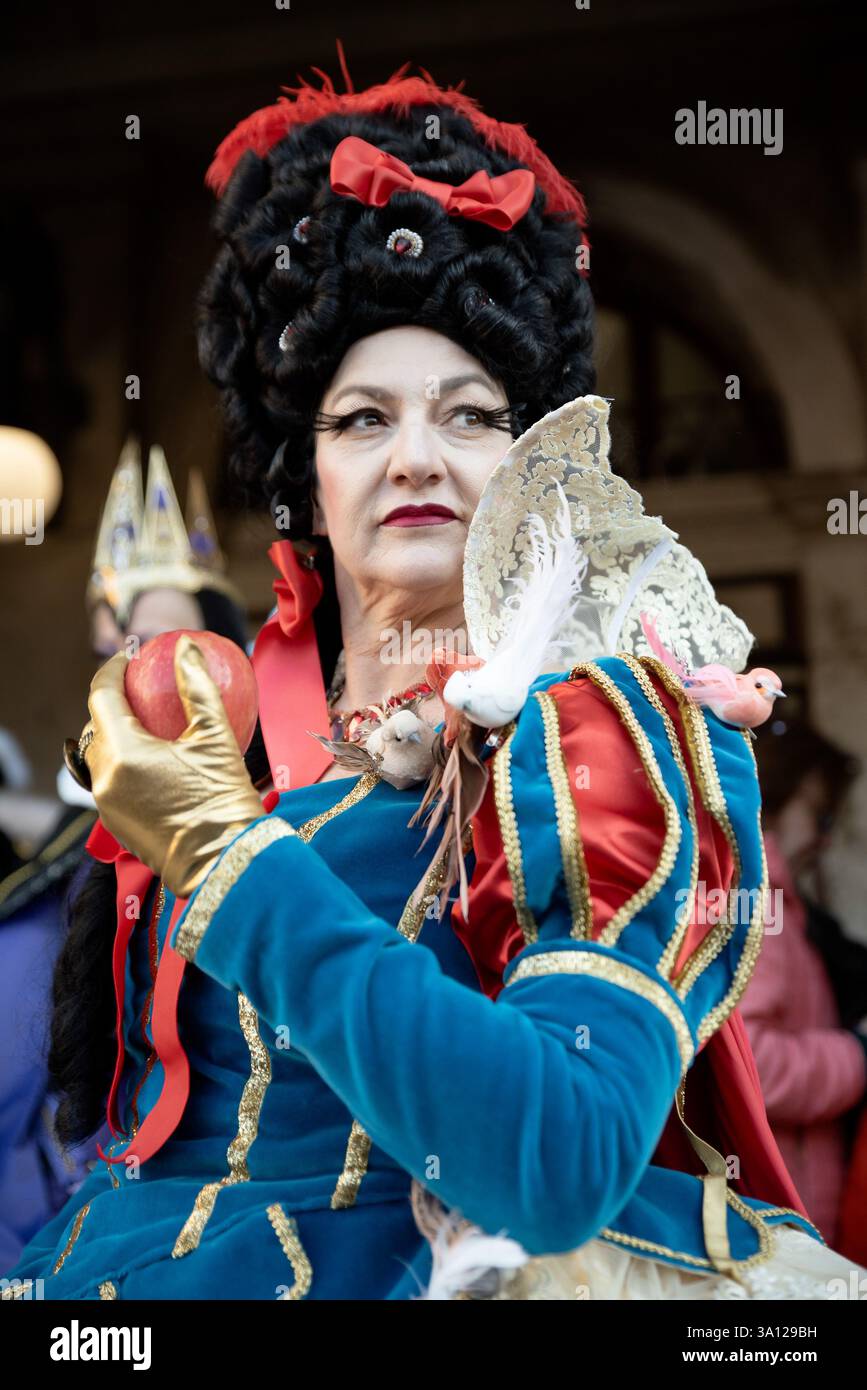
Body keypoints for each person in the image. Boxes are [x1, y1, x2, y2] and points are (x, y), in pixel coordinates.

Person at [3, 57, 864, 1302]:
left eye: (469, 415)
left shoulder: (605, 726)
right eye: (362, 419)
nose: (417, 454)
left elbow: (554, 1164)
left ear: (530, 457)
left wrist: (230, 861)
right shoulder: (227, 740)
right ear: (306, 479)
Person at [0, 441, 250, 1272]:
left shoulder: (272, 840)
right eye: (136, 636)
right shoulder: (60, 875)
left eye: (183, 641)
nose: (156, 659)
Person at [741, 719, 867, 1251]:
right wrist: (858, 1053)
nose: (824, 836)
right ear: (774, 798)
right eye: (818, 814)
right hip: (781, 1208)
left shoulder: (778, 904)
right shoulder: (759, 905)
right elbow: (753, 1066)